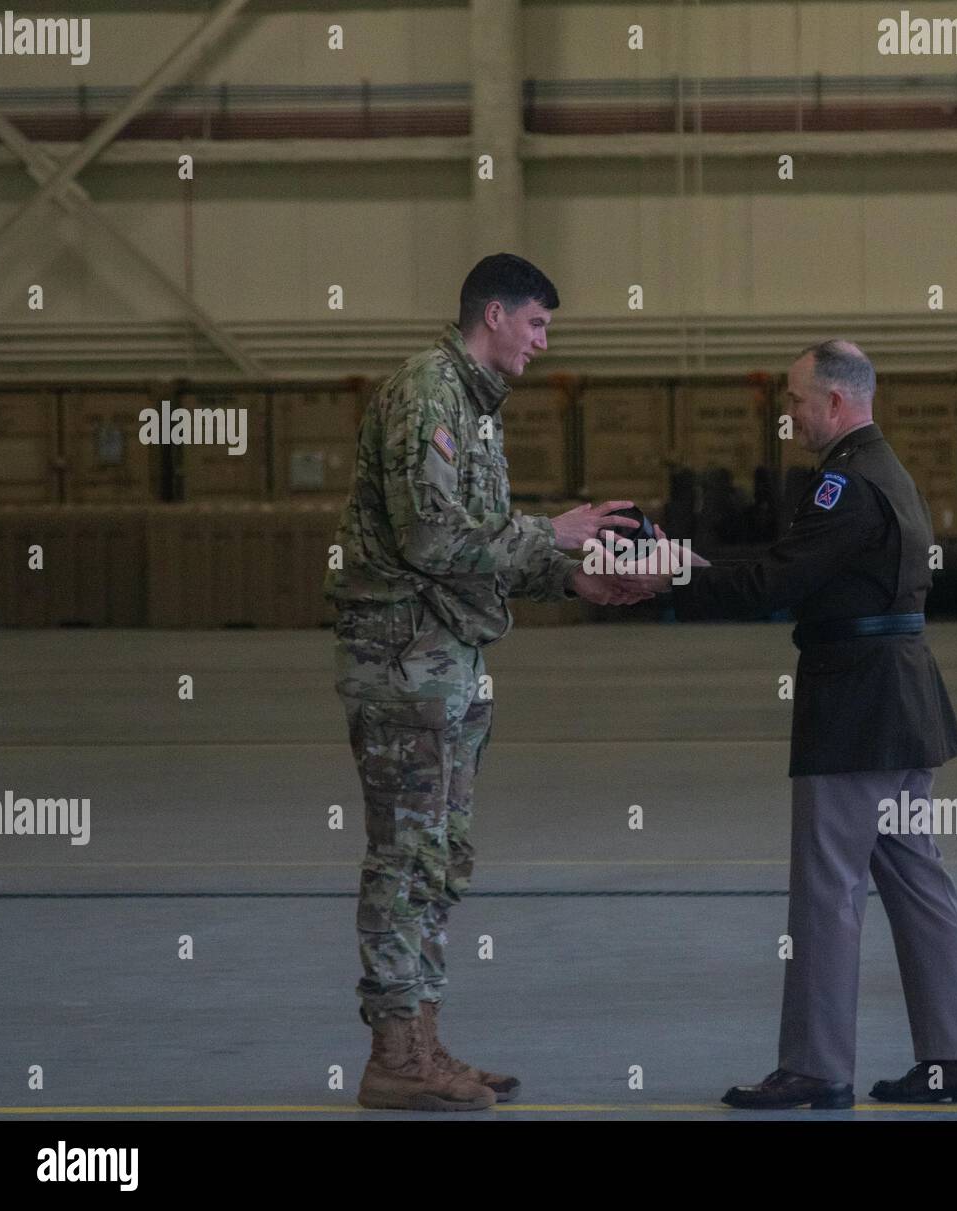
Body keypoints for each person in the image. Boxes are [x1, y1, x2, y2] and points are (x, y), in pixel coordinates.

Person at [325, 253, 650, 1112]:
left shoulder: (472, 408)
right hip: (407, 663)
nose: (542, 343)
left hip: (449, 658)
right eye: (537, 324)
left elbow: (475, 547)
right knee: (406, 856)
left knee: (438, 856)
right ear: (496, 315)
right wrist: (555, 532)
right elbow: (432, 539)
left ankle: (422, 1044)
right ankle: (394, 1051)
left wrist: (573, 577)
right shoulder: (430, 394)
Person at [637, 340, 957, 1110]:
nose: (788, 414)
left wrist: (672, 572)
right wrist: (691, 561)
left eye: (796, 399)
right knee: (915, 878)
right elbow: (791, 564)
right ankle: (955, 1060)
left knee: (827, 889)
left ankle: (815, 1066)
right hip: (904, 699)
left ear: (835, 402)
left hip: (855, 705)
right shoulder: (889, 472)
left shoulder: (845, 484)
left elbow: (776, 579)